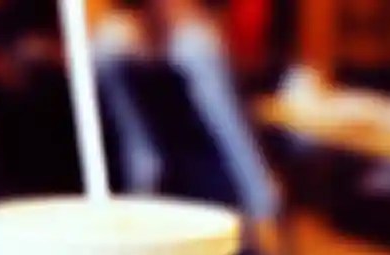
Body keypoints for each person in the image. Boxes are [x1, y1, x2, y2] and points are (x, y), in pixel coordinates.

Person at [95, 0, 278, 223]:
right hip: (205, 188)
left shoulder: (111, 45)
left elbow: (136, 142)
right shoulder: (193, 46)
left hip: (171, 187)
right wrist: (260, 193)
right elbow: (227, 129)